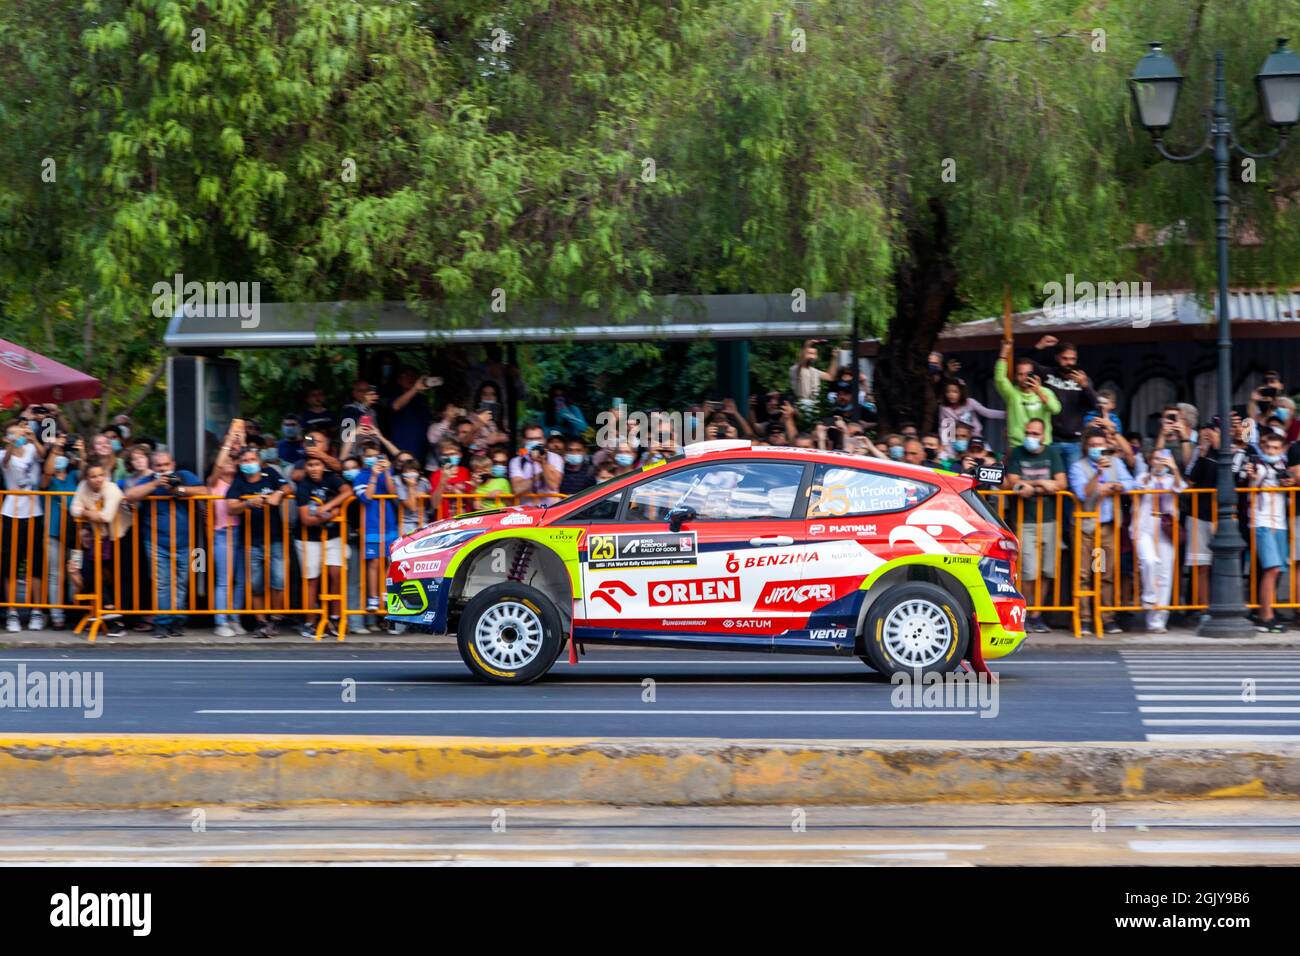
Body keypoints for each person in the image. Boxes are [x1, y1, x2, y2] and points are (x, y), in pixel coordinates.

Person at [121, 449, 205, 638]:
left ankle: (178, 620)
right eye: (159, 466)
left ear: (173, 464)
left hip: (186, 542)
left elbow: (204, 490)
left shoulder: (184, 476)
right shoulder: (150, 480)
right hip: (156, 542)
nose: (163, 469)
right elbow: (131, 494)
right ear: (153, 467)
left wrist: (179, 490)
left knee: (182, 582)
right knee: (162, 583)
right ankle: (162, 622)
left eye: (166, 465)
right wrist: (156, 483)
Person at [1069, 429, 1135, 636]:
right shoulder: (1077, 467)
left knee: (1103, 571)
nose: (1098, 448)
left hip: (1105, 528)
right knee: (1083, 574)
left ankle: (1106, 616)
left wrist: (1116, 486)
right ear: (1086, 447)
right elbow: (1082, 493)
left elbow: (1132, 483)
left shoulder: (1115, 463)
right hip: (1084, 528)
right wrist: (1098, 474)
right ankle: (1085, 618)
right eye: (1093, 445)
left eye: (1100, 444)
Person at [1005, 418, 1066, 632]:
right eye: (1028, 432)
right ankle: (1026, 612)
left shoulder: (1052, 453)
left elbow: (1061, 483)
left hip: (1049, 520)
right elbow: (1012, 481)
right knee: (1029, 571)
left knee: (1047, 570)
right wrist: (1042, 484)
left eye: (1035, 433)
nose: (1031, 437)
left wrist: (1032, 485)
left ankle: (1038, 615)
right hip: (1026, 520)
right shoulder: (1018, 453)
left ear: (1043, 435)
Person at [224, 447, 290, 638]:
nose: (248, 463)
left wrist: (279, 493)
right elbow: (231, 507)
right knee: (256, 584)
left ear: (259, 461)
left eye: (252, 459)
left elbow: (288, 487)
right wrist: (248, 503)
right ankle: (261, 622)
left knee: (278, 580)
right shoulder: (239, 482)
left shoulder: (270, 473)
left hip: (275, 538)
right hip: (251, 541)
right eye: (245, 460)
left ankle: (276, 619)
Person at [69, 463, 133, 637]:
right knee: (91, 572)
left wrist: (86, 512)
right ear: (86, 478)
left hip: (122, 535)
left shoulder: (111, 489)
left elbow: (106, 516)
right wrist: (90, 513)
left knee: (121, 578)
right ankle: (107, 610)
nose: (97, 479)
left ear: (105, 475)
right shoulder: (82, 487)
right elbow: (74, 510)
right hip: (100, 537)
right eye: (93, 476)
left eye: (100, 475)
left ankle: (120, 621)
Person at [295, 454, 353, 638]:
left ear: (323, 465)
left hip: (332, 536)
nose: (314, 468)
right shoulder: (303, 486)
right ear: (306, 467)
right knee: (312, 580)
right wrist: (326, 515)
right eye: (310, 465)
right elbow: (306, 519)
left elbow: (347, 492)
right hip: (308, 538)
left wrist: (328, 507)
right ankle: (310, 622)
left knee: (336, 573)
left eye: (317, 464)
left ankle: (335, 618)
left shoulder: (331, 478)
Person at [1241, 431, 1293, 633]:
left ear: (1282, 450)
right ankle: (1266, 617)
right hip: (1262, 522)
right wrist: (1251, 473)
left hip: (1279, 523)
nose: (1271, 451)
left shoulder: (1281, 467)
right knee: (1271, 569)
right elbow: (1253, 476)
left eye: (1275, 448)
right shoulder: (1260, 466)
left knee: (1278, 569)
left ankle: (1266, 610)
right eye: (1268, 448)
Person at [1131, 449, 1184, 633]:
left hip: (1166, 528)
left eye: (1163, 459)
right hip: (1145, 526)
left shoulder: (1171, 479)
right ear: (1149, 460)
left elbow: (1180, 487)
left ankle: (1157, 621)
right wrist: (1153, 472)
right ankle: (1149, 596)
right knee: (1149, 561)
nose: (1159, 462)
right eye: (1155, 458)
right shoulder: (1143, 477)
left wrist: (1174, 468)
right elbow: (1141, 487)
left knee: (1165, 574)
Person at [1, 420, 46, 631]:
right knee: (11, 563)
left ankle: (37, 610)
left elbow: (43, 455)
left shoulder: (30, 448)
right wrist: (11, 444)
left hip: (34, 511)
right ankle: (12, 613)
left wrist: (32, 437)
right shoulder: (3, 453)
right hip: (11, 511)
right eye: (12, 433)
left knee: (35, 563)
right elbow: (6, 462)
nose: (17, 435)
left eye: (18, 432)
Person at [1030, 336, 1097, 469]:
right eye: (1065, 358)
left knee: (1073, 481)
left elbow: (1095, 405)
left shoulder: (1083, 379)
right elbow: (1025, 365)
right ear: (1057, 358)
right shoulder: (1048, 374)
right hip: (1051, 439)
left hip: (1075, 442)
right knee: (1054, 481)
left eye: (1072, 359)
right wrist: (1039, 346)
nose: (1069, 362)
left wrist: (1085, 386)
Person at [353, 443, 399, 626]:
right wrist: (373, 475)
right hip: (371, 525)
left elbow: (393, 492)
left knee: (390, 562)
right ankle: (373, 598)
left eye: (376, 456)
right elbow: (366, 497)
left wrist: (386, 472)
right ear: (364, 459)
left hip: (390, 524)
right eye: (369, 456)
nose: (373, 460)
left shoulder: (388, 473)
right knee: (373, 563)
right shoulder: (360, 476)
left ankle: (388, 597)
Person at [207, 421, 245, 638]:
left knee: (240, 579)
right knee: (224, 580)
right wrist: (229, 442)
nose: (231, 462)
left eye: (234, 459)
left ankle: (235, 618)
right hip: (222, 533)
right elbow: (220, 465)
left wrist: (240, 437)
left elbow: (247, 456)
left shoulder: (241, 480)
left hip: (242, 533)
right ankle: (221, 621)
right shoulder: (214, 482)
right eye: (228, 459)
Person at [39, 435, 79, 629]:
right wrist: (55, 449)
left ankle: (75, 610)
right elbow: (46, 475)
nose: (60, 457)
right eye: (56, 455)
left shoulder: (74, 475)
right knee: (56, 574)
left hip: (76, 532)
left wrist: (83, 451)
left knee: (74, 571)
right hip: (53, 531)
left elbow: (87, 471)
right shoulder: (49, 479)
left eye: (63, 453)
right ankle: (57, 616)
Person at [994, 340, 1062, 449]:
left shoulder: (1046, 391)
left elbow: (1055, 409)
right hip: (1017, 446)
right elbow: (999, 379)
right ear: (1016, 376)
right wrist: (1003, 353)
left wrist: (1038, 391)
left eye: (1027, 374)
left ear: (1034, 374)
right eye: (1020, 374)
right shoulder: (1012, 394)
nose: (1024, 378)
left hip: (1042, 446)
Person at [937, 379, 1005, 448]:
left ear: (961, 392)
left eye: (955, 392)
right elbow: (944, 430)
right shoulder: (944, 408)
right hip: (956, 442)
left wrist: (1006, 415)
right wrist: (945, 445)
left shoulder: (970, 402)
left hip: (974, 438)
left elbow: (986, 412)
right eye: (948, 392)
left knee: (985, 454)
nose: (951, 395)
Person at [384, 367, 434, 460]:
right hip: (400, 445)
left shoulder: (422, 398)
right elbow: (396, 405)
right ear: (398, 380)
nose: (410, 378)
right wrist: (415, 388)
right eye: (407, 375)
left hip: (420, 446)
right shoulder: (393, 396)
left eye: (413, 376)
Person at [510, 423, 562, 508]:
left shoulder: (555, 458)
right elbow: (517, 489)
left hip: (551, 510)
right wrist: (539, 475)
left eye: (538, 438)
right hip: (528, 512)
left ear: (544, 440)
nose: (534, 442)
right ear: (524, 441)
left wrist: (543, 463)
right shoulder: (516, 461)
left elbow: (553, 486)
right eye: (530, 439)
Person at [789, 339, 840, 404]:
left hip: (814, 404)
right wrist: (807, 344)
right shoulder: (795, 368)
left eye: (814, 354)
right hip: (800, 403)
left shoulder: (814, 371)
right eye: (809, 353)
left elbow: (830, 377)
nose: (812, 356)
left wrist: (834, 357)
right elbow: (802, 361)